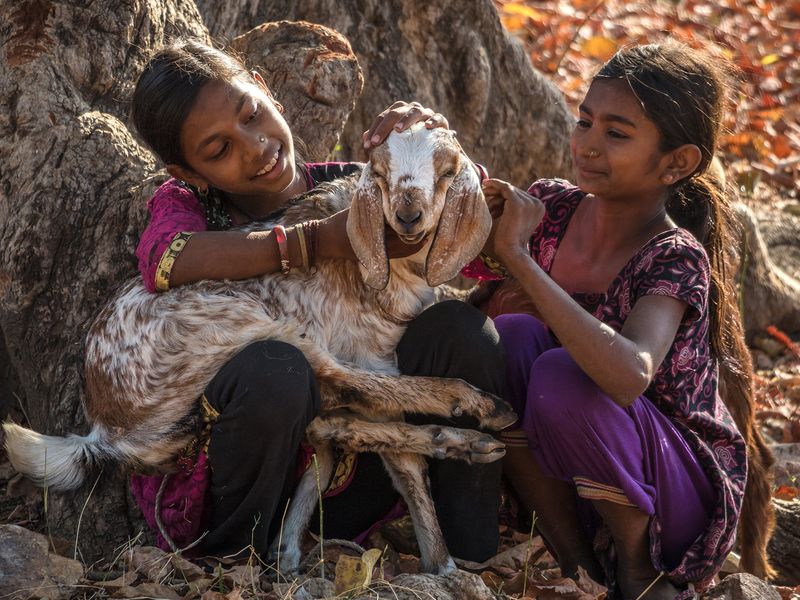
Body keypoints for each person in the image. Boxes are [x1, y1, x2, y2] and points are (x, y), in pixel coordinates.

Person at [126, 39, 505, 564]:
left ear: (264, 89)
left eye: (252, 116)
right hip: (256, 482)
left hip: (359, 478)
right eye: (218, 150)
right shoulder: (187, 209)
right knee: (277, 368)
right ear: (187, 172)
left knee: (463, 332)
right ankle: (236, 565)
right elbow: (163, 258)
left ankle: (467, 560)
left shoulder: (353, 182)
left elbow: (476, 250)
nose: (255, 147)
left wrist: (437, 154)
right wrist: (315, 241)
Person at [464, 42, 748, 599]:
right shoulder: (551, 210)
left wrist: (519, 258)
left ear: (677, 163)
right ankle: (578, 567)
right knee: (514, 338)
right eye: (584, 121)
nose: (588, 144)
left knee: (562, 376)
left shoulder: (674, 255)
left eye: (616, 134)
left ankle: (640, 571)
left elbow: (627, 375)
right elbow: (434, 255)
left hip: (673, 490)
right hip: (570, 479)